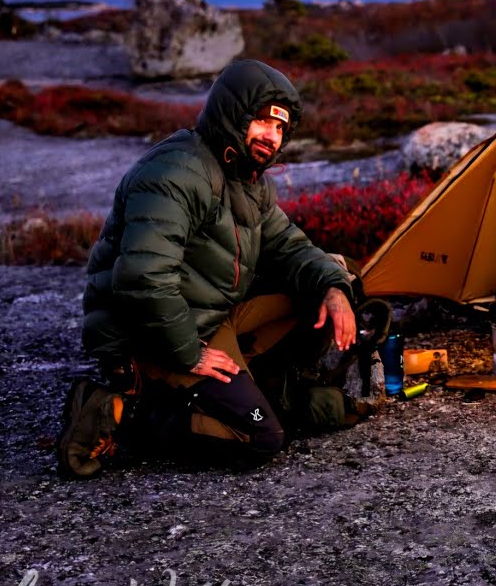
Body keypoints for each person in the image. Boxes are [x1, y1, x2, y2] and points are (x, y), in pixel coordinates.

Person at [57, 59, 358, 478]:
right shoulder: (176, 171)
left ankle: (267, 389)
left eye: (280, 130)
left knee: (332, 280)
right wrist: (189, 352)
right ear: (232, 113)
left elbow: (289, 247)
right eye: (262, 122)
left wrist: (333, 287)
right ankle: (120, 409)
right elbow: (142, 277)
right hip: (150, 335)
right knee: (261, 439)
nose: (272, 138)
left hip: (212, 317)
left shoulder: (248, 181)